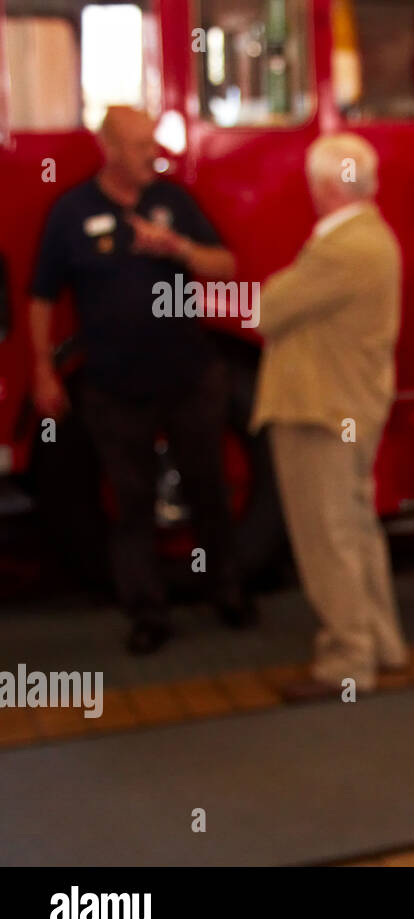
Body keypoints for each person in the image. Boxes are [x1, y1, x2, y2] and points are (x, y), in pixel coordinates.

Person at [28, 105, 252, 655]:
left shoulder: (172, 202)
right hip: (113, 387)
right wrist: (41, 368)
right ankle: (148, 614)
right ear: (110, 150)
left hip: (189, 377)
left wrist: (175, 246)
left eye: (153, 142)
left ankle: (227, 592)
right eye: (139, 146)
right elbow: (41, 295)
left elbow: (225, 264)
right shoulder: (72, 212)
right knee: (132, 504)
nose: (153, 153)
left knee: (209, 491)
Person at [251, 132, 407, 700]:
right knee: (355, 529)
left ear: (323, 185)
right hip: (348, 406)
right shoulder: (371, 240)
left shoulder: (344, 246)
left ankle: (347, 660)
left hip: (321, 409)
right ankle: (381, 644)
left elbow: (267, 309)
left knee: (327, 537)